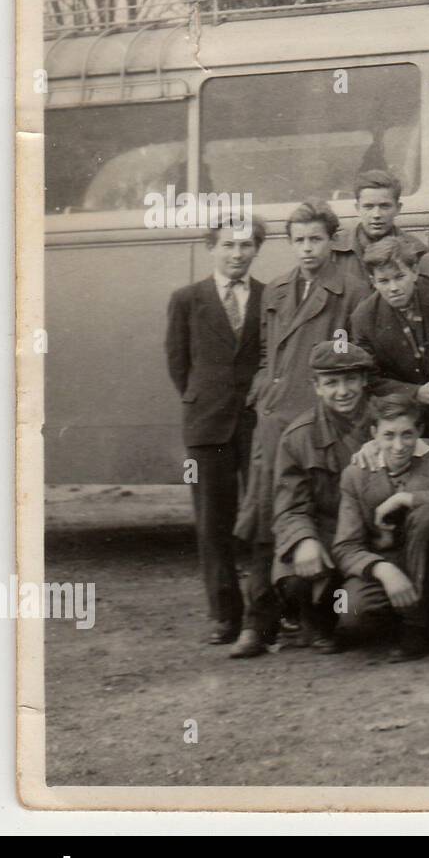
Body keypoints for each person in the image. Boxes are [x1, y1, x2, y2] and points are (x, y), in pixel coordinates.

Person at [231, 201, 370, 658]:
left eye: (316, 239)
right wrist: (263, 393)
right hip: (274, 420)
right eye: (298, 240)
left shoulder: (351, 291)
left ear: (332, 240)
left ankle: (314, 619)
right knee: (263, 515)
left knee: (315, 515)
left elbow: (354, 360)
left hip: (318, 422)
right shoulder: (275, 289)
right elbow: (270, 353)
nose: (307, 249)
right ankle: (257, 623)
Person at [164, 218, 267, 646]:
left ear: (256, 250)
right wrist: (204, 399)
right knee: (212, 522)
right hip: (207, 423)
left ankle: (266, 612)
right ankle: (224, 615)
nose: (237, 254)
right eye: (228, 245)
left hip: (255, 420)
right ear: (212, 248)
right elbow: (178, 362)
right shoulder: (187, 299)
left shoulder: (269, 295)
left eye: (246, 246)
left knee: (263, 515)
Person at [332, 395, 429, 661]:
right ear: (374, 433)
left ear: (420, 431)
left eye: (407, 435)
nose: (399, 446)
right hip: (387, 560)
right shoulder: (355, 474)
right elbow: (345, 546)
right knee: (352, 615)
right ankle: (409, 616)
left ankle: (416, 626)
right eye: (389, 436)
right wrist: (384, 570)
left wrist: (409, 498)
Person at [269, 342, 380, 657]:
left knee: (359, 618)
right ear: (316, 387)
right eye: (331, 383)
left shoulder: (390, 421)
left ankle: (359, 610)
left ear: (363, 381)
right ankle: (315, 620)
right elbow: (289, 505)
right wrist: (303, 540)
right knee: (293, 577)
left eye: (350, 380)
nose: (342, 391)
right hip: (327, 536)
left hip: (376, 539)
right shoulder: (298, 436)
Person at [351, 236, 429, 438]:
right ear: (373, 282)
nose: (393, 288)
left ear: (415, 271)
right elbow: (369, 377)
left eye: (399, 277)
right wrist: (415, 392)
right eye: (383, 281)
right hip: (409, 417)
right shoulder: (363, 318)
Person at [331, 170, 429, 286]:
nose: (376, 214)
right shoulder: (335, 249)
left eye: (384, 206)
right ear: (357, 208)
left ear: (398, 208)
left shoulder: (417, 251)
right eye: (368, 207)